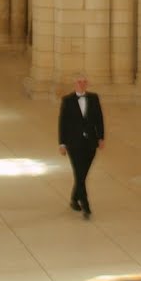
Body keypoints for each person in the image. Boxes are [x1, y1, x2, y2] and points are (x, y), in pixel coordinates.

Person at [57, 73, 104, 219]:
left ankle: (73, 198)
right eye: (79, 82)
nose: (82, 84)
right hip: (74, 143)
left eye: (84, 82)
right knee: (79, 173)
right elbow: (62, 123)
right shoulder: (67, 100)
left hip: (90, 142)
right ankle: (85, 205)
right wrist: (62, 143)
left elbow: (99, 119)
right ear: (75, 84)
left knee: (81, 175)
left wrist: (101, 137)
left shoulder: (94, 98)